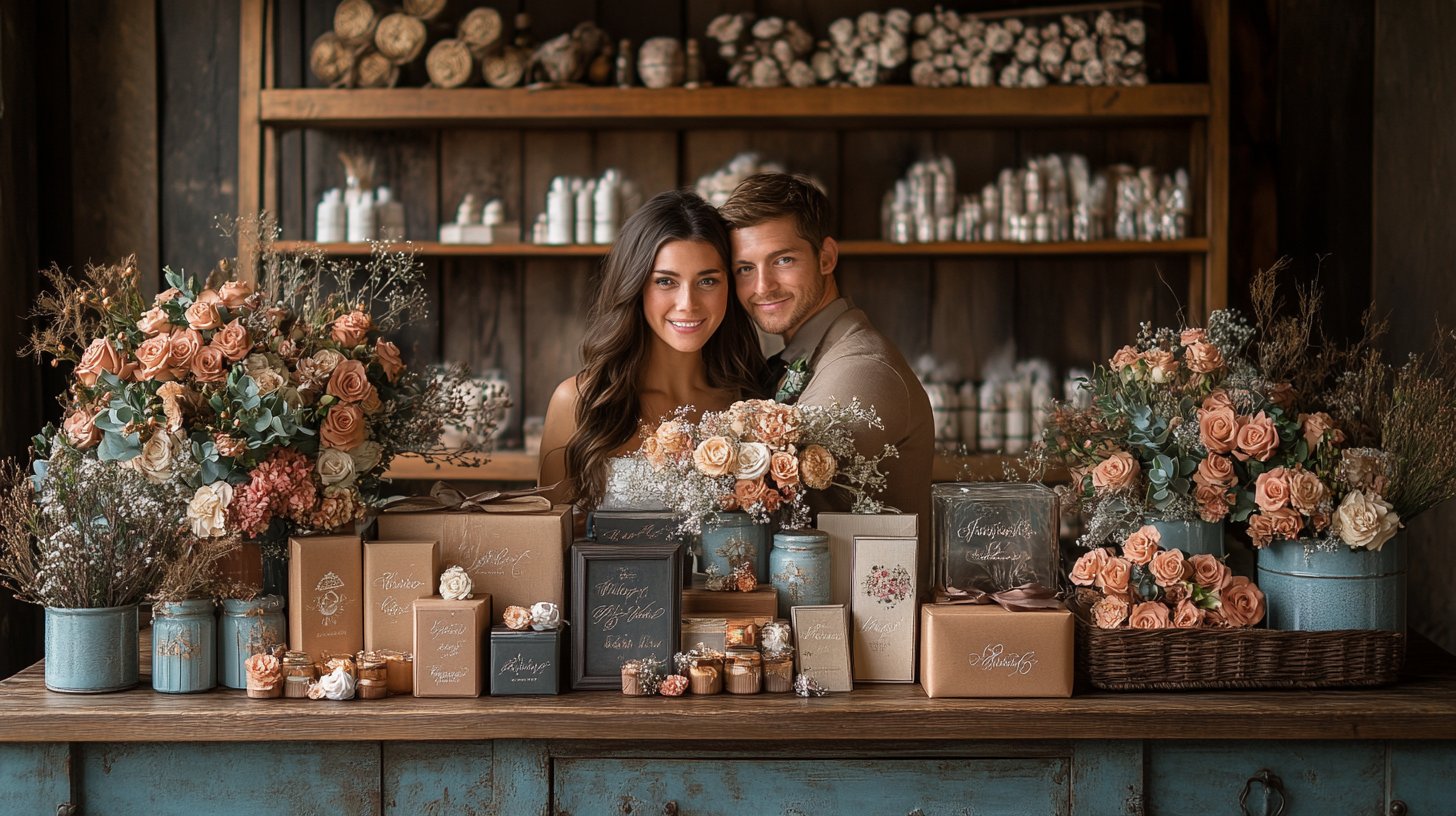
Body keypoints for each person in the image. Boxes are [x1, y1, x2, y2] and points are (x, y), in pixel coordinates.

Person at [719, 172, 935, 554]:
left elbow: (771, 503)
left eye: (783, 260)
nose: (762, 286)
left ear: (826, 257)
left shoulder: (861, 369)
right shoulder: (804, 356)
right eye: (745, 269)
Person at [538, 190, 767, 512]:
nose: (688, 304)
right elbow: (549, 549)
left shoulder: (751, 403)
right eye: (665, 282)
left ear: (729, 287)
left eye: (708, 281)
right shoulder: (579, 401)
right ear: (634, 286)